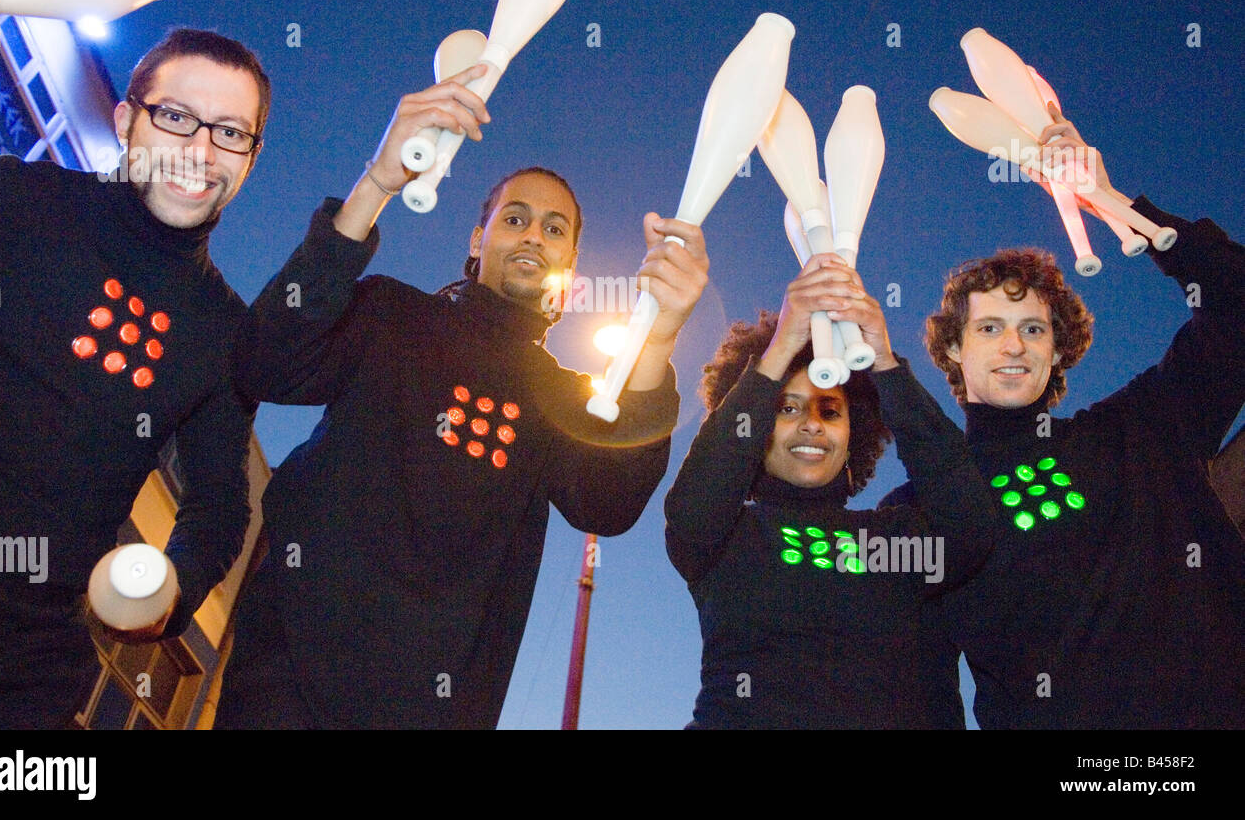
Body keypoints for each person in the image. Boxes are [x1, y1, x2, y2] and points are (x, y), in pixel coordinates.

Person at [216, 65, 709, 728]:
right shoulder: (389, 312)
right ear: (477, 241)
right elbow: (266, 362)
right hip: (285, 681)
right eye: (515, 218)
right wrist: (378, 183)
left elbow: (610, 501)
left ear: (569, 269)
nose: (535, 234)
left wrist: (658, 340)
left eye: (556, 229)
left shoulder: (564, 400)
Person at [0, 0, 266, 728]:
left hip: (20, 685)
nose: (200, 149)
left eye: (230, 132)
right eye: (177, 116)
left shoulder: (226, 333)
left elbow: (221, 511)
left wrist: (162, 592)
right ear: (127, 119)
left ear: (251, 159)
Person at [924, 105, 1245, 728]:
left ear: (1058, 346)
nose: (1013, 345)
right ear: (953, 350)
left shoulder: (1144, 430)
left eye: (1033, 328)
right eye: (989, 327)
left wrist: (1111, 201)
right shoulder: (928, 505)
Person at [664, 255, 991, 728]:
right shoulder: (724, 537)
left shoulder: (902, 537)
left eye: (830, 410)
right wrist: (780, 350)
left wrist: (882, 359)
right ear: (755, 427)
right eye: (786, 408)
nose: (812, 425)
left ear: (856, 430)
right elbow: (690, 511)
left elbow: (972, 522)